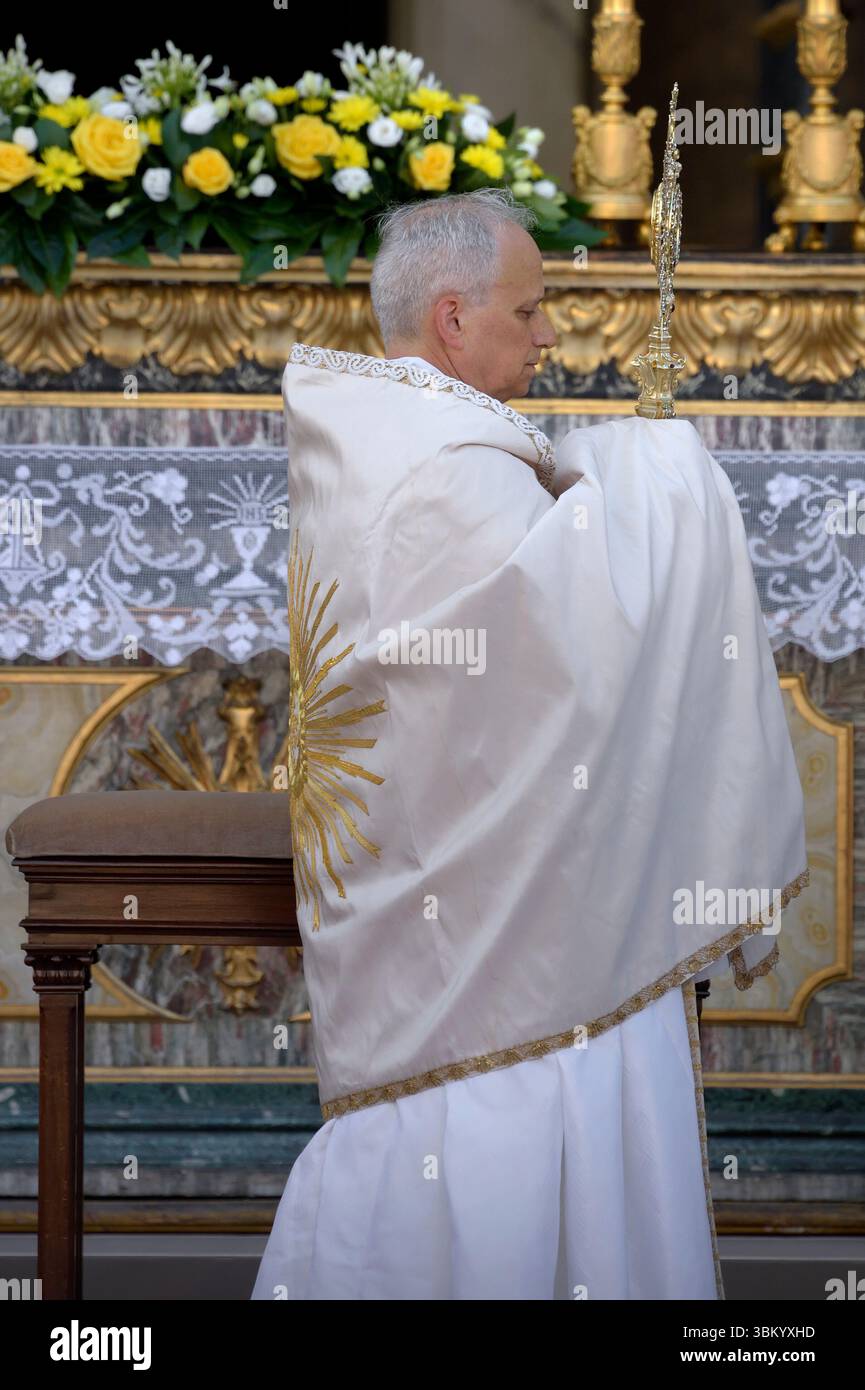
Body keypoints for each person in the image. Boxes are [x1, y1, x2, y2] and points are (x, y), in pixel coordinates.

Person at [251, 188, 808, 1301]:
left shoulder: (381, 434)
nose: (549, 334)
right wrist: (660, 472)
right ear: (452, 320)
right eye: (530, 308)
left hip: (421, 861)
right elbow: (564, 651)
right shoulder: (440, 463)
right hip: (498, 937)